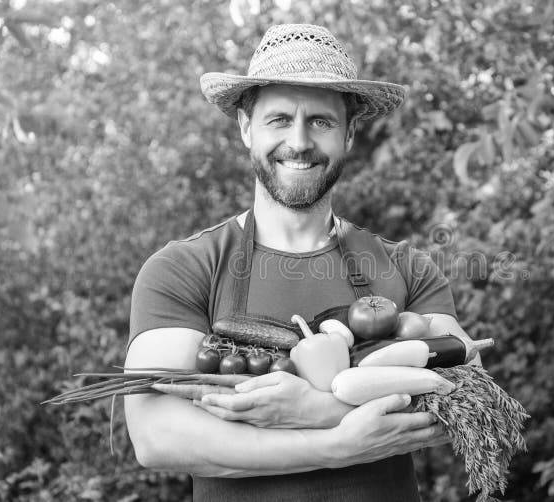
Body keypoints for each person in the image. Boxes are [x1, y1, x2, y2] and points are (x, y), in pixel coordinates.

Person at [124, 23, 476, 502]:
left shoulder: (408, 268)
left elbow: (464, 401)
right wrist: (334, 445)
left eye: (321, 121)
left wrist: (315, 408)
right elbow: (156, 435)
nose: (300, 140)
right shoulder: (184, 268)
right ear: (247, 128)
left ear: (349, 133)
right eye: (278, 119)